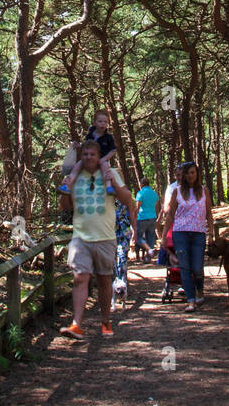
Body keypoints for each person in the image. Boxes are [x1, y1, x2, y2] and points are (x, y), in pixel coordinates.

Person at [59, 139, 138, 339]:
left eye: (92, 154)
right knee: (80, 278)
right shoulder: (74, 176)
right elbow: (65, 207)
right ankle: (77, 324)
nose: (88, 158)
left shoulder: (109, 175)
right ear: (81, 156)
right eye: (85, 154)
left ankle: (105, 321)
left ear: (98, 156)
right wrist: (64, 190)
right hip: (80, 237)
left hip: (105, 237)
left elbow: (127, 199)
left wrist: (114, 182)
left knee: (104, 281)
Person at [164, 161, 214, 310]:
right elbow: (171, 215)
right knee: (184, 267)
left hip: (199, 233)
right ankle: (190, 300)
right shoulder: (177, 191)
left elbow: (209, 214)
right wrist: (164, 236)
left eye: (193, 172)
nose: (190, 176)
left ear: (197, 174)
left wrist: (211, 234)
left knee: (197, 267)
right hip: (180, 233)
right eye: (188, 173)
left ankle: (199, 290)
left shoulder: (204, 191)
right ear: (184, 175)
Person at [60, 109, 117, 196]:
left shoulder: (108, 137)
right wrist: (78, 146)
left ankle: (109, 186)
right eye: (100, 121)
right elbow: (85, 146)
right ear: (94, 122)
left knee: (106, 168)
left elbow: (113, 150)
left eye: (105, 122)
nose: (103, 124)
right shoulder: (90, 134)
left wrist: (104, 159)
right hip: (88, 159)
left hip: (101, 159)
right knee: (77, 166)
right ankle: (67, 185)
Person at [134, 180, 159, 259]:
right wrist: (156, 216)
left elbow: (137, 207)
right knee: (151, 238)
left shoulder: (140, 193)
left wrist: (134, 217)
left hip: (142, 218)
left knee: (138, 237)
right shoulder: (154, 193)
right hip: (152, 218)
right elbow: (157, 206)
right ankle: (148, 257)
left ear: (142, 184)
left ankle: (138, 257)